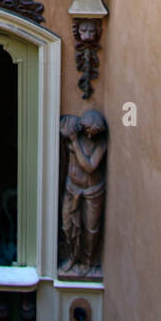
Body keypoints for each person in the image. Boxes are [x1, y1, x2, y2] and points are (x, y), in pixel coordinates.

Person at [59, 110, 108, 276]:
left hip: (92, 192)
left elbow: (89, 167)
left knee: (90, 229)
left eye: (94, 132)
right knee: (67, 225)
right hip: (71, 188)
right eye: (88, 130)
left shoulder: (101, 143)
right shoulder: (77, 131)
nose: (90, 134)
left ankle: (87, 261)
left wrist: (74, 143)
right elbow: (62, 125)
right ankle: (72, 256)